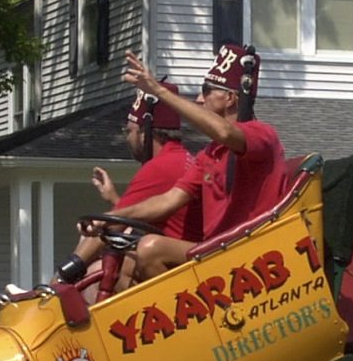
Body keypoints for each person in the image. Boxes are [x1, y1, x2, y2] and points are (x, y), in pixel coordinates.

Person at [78, 45, 287, 285]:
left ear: (230, 98)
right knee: (125, 265)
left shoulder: (262, 134)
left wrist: (158, 91)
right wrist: (111, 216)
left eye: (206, 90)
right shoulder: (209, 154)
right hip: (217, 254)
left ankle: (199, 320)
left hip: (253, 256)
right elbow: (169, 200)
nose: (199, 98)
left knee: (150, 247)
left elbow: (225, 132)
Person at [55, 81, 203, 292]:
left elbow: (111, 225)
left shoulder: (160, 167)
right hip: (184, 261)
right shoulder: (181, 158)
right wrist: (114, 198)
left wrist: (61, 278)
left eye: (129, 131)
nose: (128, 138)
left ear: (145, 132)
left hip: (183, 268)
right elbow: (142, 216)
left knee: (96, 273)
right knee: (116, 264)